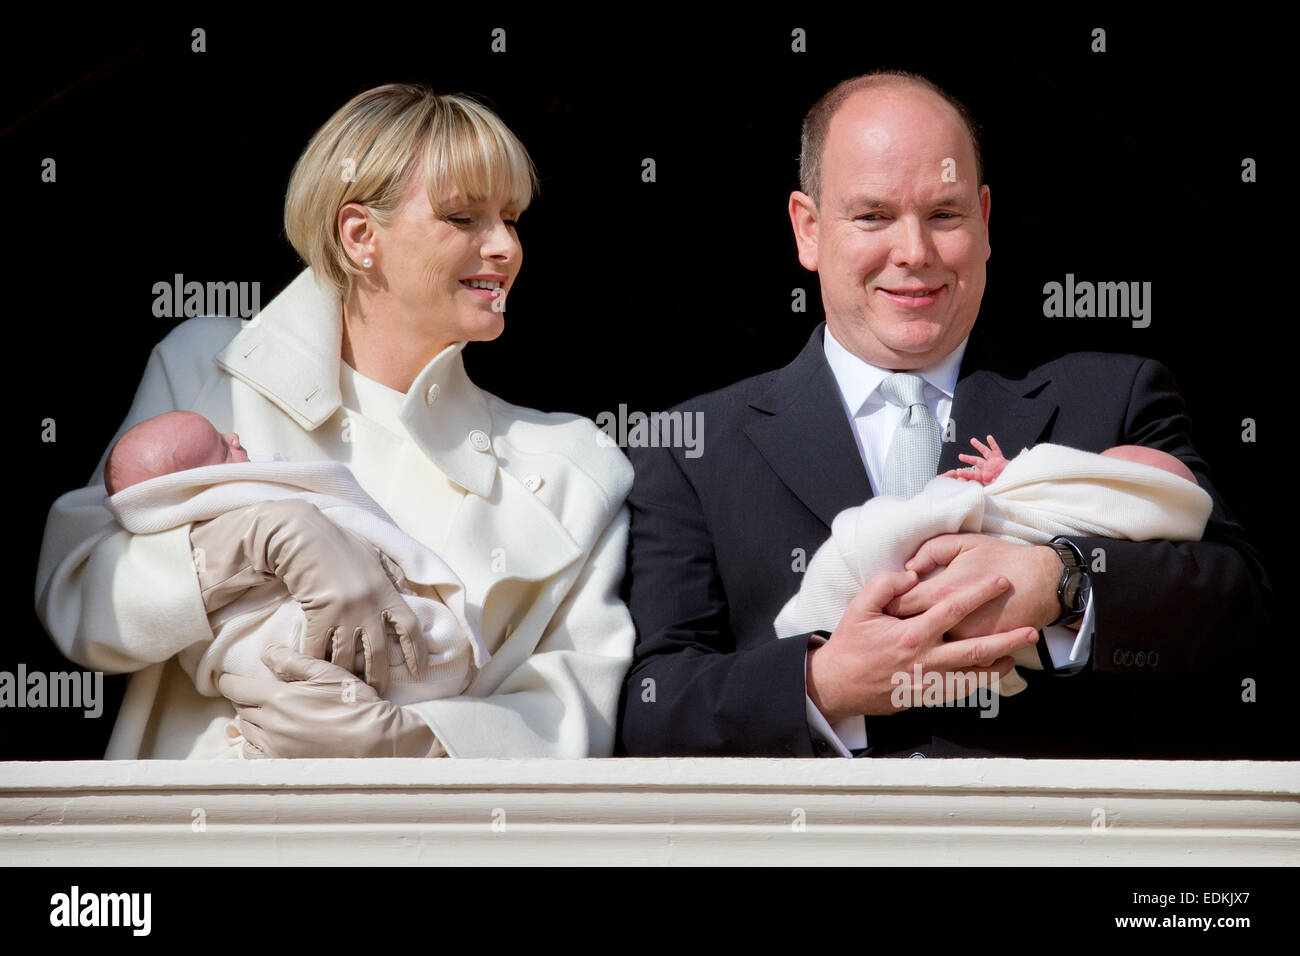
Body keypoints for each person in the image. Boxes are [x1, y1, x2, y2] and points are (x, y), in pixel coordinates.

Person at [617, 71, 1272, 759]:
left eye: (943, 215)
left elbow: (1246, 608)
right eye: (873, 216)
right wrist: (822, 683)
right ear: (808, 231)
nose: (914, 253)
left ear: (985, 223)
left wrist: (1061, 582)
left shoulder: (1117, 397)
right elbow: (646, 706)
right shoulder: (688, 450)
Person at [36, 83, 635, 759]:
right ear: (359, 236)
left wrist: (414, 745)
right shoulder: (213, 368)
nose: (504, 247)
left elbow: (577, 704)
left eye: (512, 218)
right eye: (465, 218)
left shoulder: (573, 464)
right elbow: (82, 601)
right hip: (200, 843)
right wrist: (255, 537)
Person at [101, 410, 489, 758]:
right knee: (422, 647)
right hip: (216, 765)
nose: (236, 438)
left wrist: (430, 742)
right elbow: (97, 571)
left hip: (432, 784)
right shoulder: (197, 357)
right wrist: (253, 536)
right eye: (222, 447)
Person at [773, 435, 1213, 697]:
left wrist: (1057, 579)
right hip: (828, 770)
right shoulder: (716, 429)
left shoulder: (1128, 391)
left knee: (881, 532)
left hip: (1038, 771)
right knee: (869, 545)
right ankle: (806, 639)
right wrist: (822, 682)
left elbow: (1235, 586)